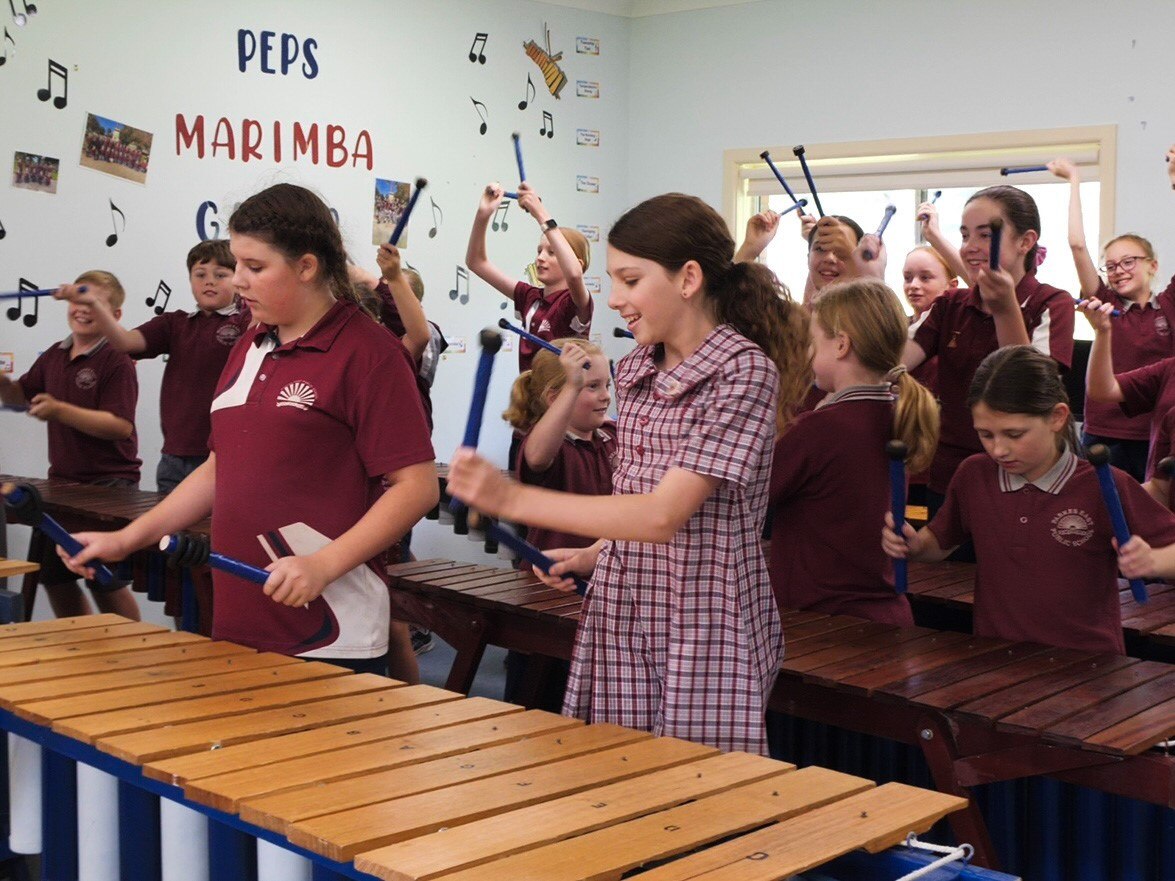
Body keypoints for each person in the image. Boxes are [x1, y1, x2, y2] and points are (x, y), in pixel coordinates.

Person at [446, 193, 810, 755]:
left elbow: (664, 514)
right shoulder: (637, 367)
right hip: (622, 610)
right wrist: (596, 553)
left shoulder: (743, 372)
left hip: (704, 623)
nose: (614, 300)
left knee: (697, 801)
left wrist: (509, 498)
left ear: (688, 278)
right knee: (617, 780)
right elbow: (634, 494)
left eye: (630, 280)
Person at [59, 183, 438, 679]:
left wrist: (323, 565)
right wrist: (129, 539)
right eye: (236, 264)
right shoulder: (249, 345)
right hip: (239, 617)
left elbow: (417, 487)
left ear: (306, 266)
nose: (238, 280)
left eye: (254, 267)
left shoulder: (370, 353)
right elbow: (220, 469)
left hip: (330, 630)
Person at [883, 346, 1175, 655]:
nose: (998, 450)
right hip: (995, 657)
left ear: (1057, 417)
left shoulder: (1103, 484)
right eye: (986, 434)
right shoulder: (973, 475)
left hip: (1088, 665)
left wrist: (1153, 560)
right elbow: (939, 543)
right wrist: (913, 546)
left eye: (1014, 434)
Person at [770, 279, 938, 625]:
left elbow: (746, 495)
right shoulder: (899, 413)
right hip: (884, 613)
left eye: (813, 342)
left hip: (823, 621)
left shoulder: (820, 429)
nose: (807, 354)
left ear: (842, 345)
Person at [903, 186, 1075, 514]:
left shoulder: (1052, 303)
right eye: (965, 235)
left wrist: (1005, 309)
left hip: (1023, 477)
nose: (969, 248)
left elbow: (1027, 388)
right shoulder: (950, 304)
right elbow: (893, 366)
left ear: (1026, 241)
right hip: (950, 473)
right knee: (948, 564)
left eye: (984, 235)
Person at [0, 270, 142, 621]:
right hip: (63, 484)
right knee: (55, 579)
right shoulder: (54, 355)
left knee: (102, 580)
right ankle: (82, 649)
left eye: (94, 302)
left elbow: (119, 426)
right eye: (78, 300)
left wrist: (62, 410)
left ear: (116, 315)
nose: (82, 309)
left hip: (109, 487)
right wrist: (3, 384)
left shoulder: (116, 359)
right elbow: (21, 395)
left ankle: (131, 648)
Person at [58, 240, 251, 494]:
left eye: (221, 275)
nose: (209, 281)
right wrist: (94, 305)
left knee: (213, 533)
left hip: (222, 456)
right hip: (173, 456)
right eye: (200, 274)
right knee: (170, 533)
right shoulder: (175, 324)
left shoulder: (247, 321)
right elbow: (124, 342)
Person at [500, 338, 615, 707]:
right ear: (555, 398)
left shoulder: (610, 439)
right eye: (591, 387)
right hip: (549, 594)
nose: (605, 396)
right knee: (539, 703)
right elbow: (535, 456)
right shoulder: (551, 446)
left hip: (602, 588)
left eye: (607, 385)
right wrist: (572, 387)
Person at [1051, 156, 1175, 480]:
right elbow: (1077, 245)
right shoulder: (1104, 304)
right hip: (1104, 435)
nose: (1119, 270)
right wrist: (1075, 179)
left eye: (1129, 261)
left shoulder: (1169, 304)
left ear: (1153, 265)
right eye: (1111, 265)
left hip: (1156, 436)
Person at [465, 180, 592, 373]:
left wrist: (540, 212)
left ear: (578, 263)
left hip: (564, 399)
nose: (540, 258)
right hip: (531, 399)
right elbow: (476, 262)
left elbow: (574, 275)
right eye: (539, 250)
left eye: (551, 252)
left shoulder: (574, 302)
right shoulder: (529, 297)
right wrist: (483, 215)